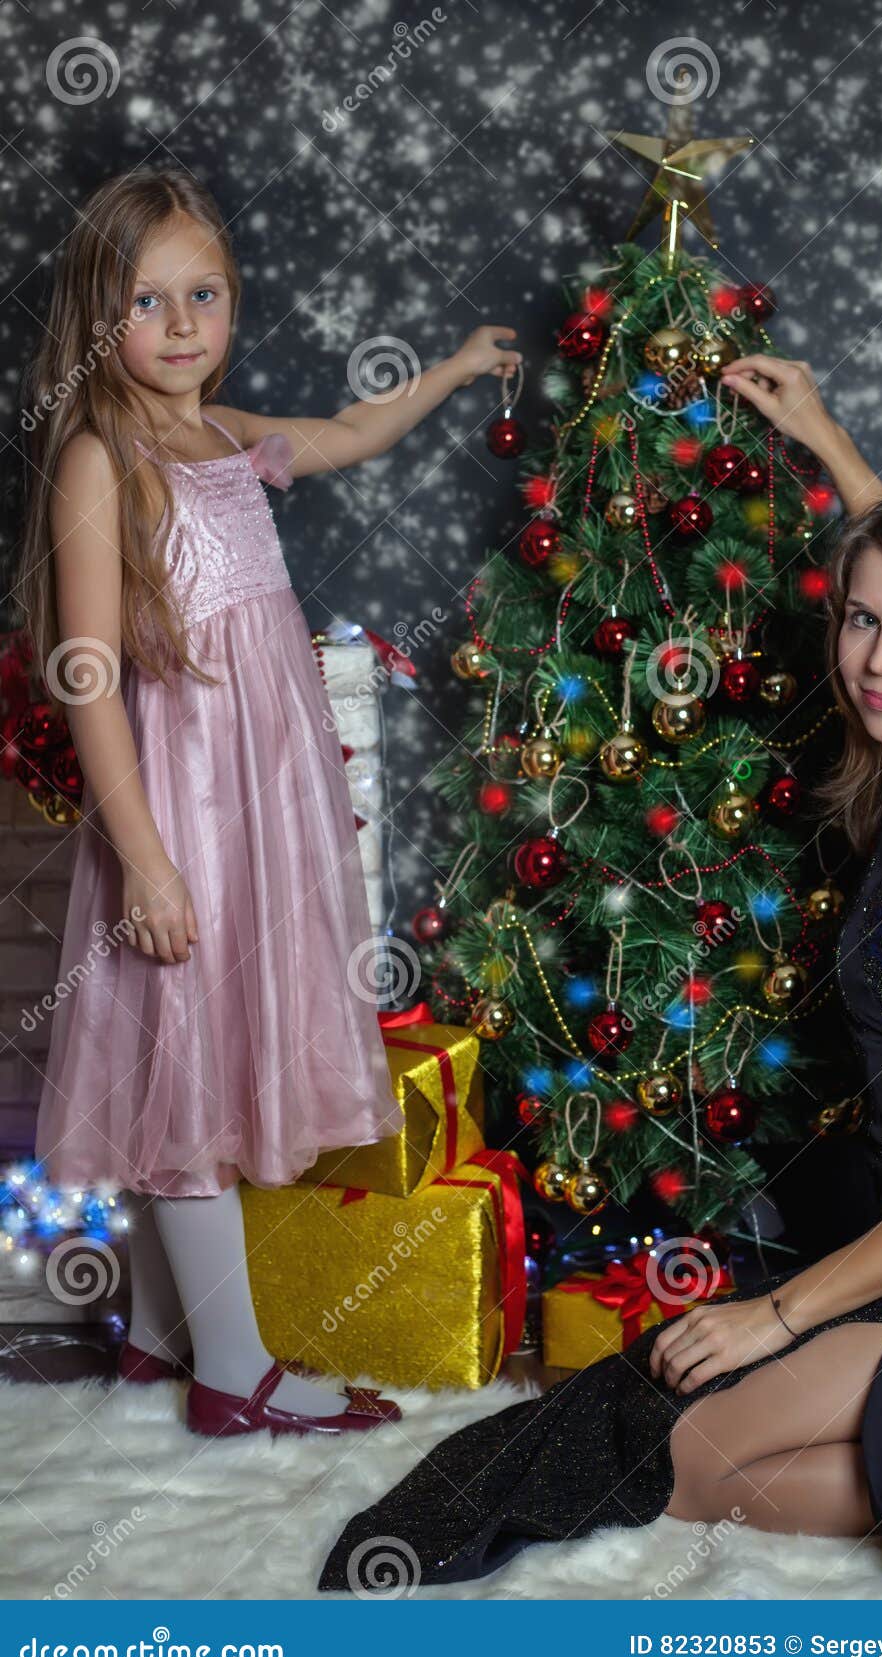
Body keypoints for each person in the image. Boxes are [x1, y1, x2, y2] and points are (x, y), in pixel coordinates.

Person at [318, 353, 882, 1600]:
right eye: (859, 619)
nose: (879, 658)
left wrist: (779, 1316)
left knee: (698, 1465)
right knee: (657, 1417)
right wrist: (824, 437)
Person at [18, 164, 521, 1439]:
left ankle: (156, 1333)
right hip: (180, 807)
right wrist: (145, 860)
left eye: (206, 294)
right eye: (147, 301)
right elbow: (86, 676)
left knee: (187, 1051)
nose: (182, 324)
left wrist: (457, 369)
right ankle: (233, 1376)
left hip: (257, 799)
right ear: (96, 319)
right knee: (182, 1068)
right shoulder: (103, 458)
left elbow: (350, 432)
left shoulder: (224, 433)